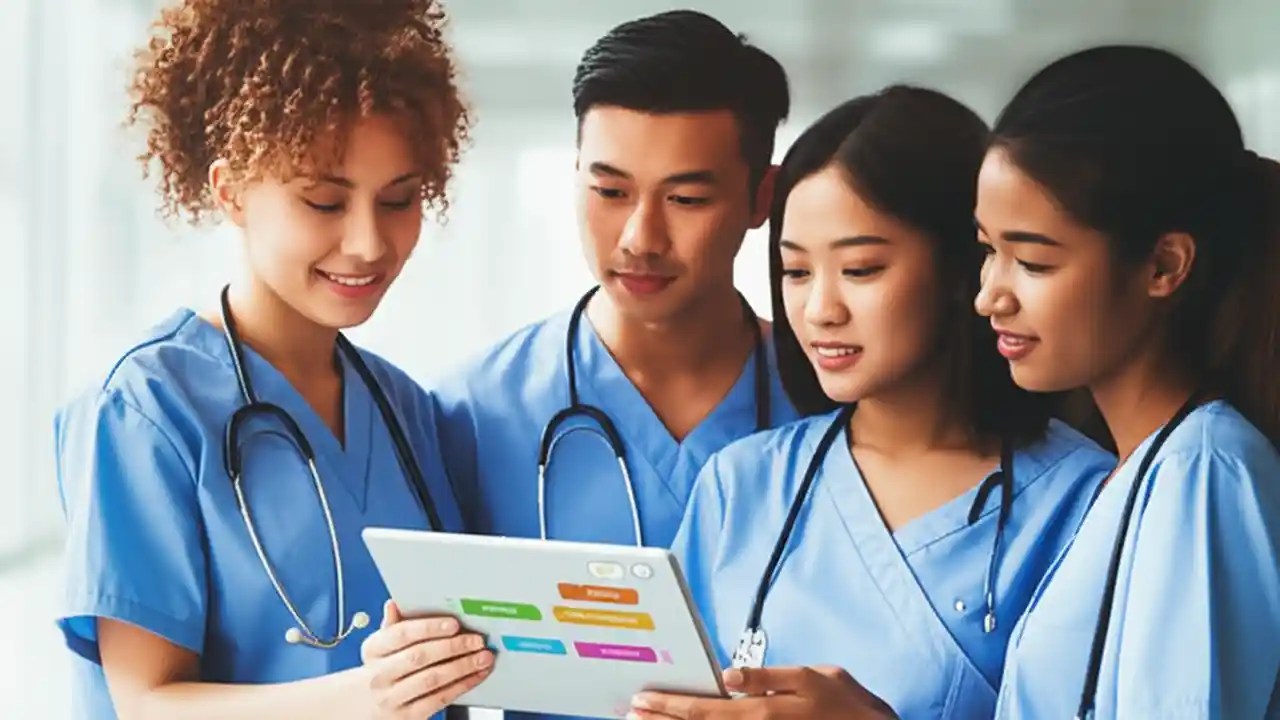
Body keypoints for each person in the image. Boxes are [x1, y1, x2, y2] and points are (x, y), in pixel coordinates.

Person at [52, 1, 493, 718]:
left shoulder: (404, 410)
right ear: (230, 192)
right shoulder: (146, 410)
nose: (369, 244)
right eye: (323, 202)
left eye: (400, 200)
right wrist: (370, 696)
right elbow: (146, 703)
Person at [628, 86, 1115, 720]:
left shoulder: (1085, 503)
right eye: (796, 272)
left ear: (963, 266)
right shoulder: (741, 485)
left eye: (859, 270)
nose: (820, 311)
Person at [973, 45, 1280, 719]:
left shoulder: (1204, 474)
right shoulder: (1138, 468)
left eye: (1032, 261)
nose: (990, 295)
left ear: (1164, 265)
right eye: (987, 251)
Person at [429, 10, 795, 553]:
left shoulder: (826, 401)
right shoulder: (473, 412)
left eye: (686, 200)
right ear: (576, 174)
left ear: (763, 197)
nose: (640, 239)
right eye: (610, 192)